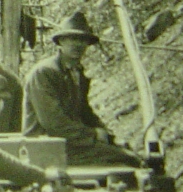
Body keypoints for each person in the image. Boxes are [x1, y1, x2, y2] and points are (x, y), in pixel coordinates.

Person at [22, 11, 141, 167]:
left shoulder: (77, 73)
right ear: (60, 42)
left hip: (69, 143)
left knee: (128, 152)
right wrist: (92, 135)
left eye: (82, 40)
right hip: (45, 146)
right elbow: (53, 123)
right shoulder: (45, 73)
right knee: (126, 160)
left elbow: (84, 112)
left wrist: (108, 136)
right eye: (71, 38)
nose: (77, 44)